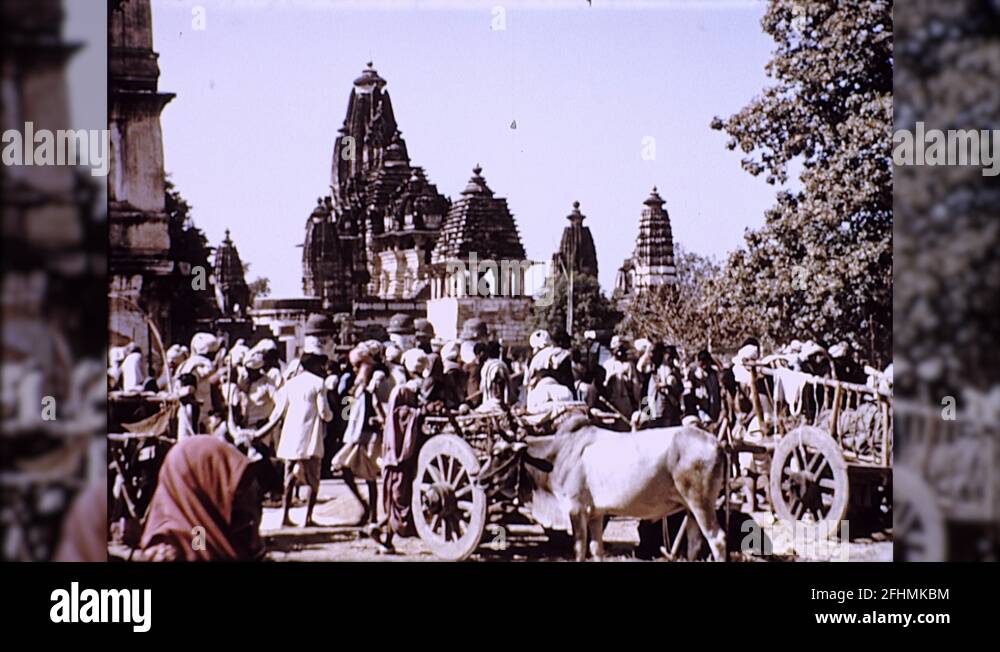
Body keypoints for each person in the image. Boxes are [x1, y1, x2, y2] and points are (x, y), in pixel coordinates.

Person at [139, 436, 263, 561]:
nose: (241, 502)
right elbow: (201, 549)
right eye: (235, 492)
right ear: (201, 483)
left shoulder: (204, 527)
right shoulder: (173, 547)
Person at [254, 341, 332, 528]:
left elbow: (277, 413)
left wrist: (263, 432)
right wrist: (332, 416)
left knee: (288, 479)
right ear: (314, 365)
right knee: (313, 479)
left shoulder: (289, 385)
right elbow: (324, 413)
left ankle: (285, 517)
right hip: (311, 438)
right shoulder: (319, 383)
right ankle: (308, 518)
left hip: (291, 437)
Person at [372, 349, 430, 552]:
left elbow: (395, 421)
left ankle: (385, 532)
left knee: (395, 493)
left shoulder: (402, 391)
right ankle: (385, 533)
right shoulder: (419, 389)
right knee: (399, 494)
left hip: (397, 450)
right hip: (409, 448)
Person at [329, 343, 383, 525]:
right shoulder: (357, 382)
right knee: (343, 467)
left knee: (369, 476)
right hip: (355, 433)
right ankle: (366, 507)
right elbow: (349, 406)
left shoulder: (377, 378)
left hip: (368, 434)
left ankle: (372, 515)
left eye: (358, 365)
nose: (355, 368)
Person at [602, 335, 640, 420]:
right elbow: (603, 384)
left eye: (620, 347)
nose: (619, 351)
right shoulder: (607, 365)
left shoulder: (628, 365)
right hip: (611, 401)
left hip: (625, 400)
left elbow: (635, 386)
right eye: (616, 348)